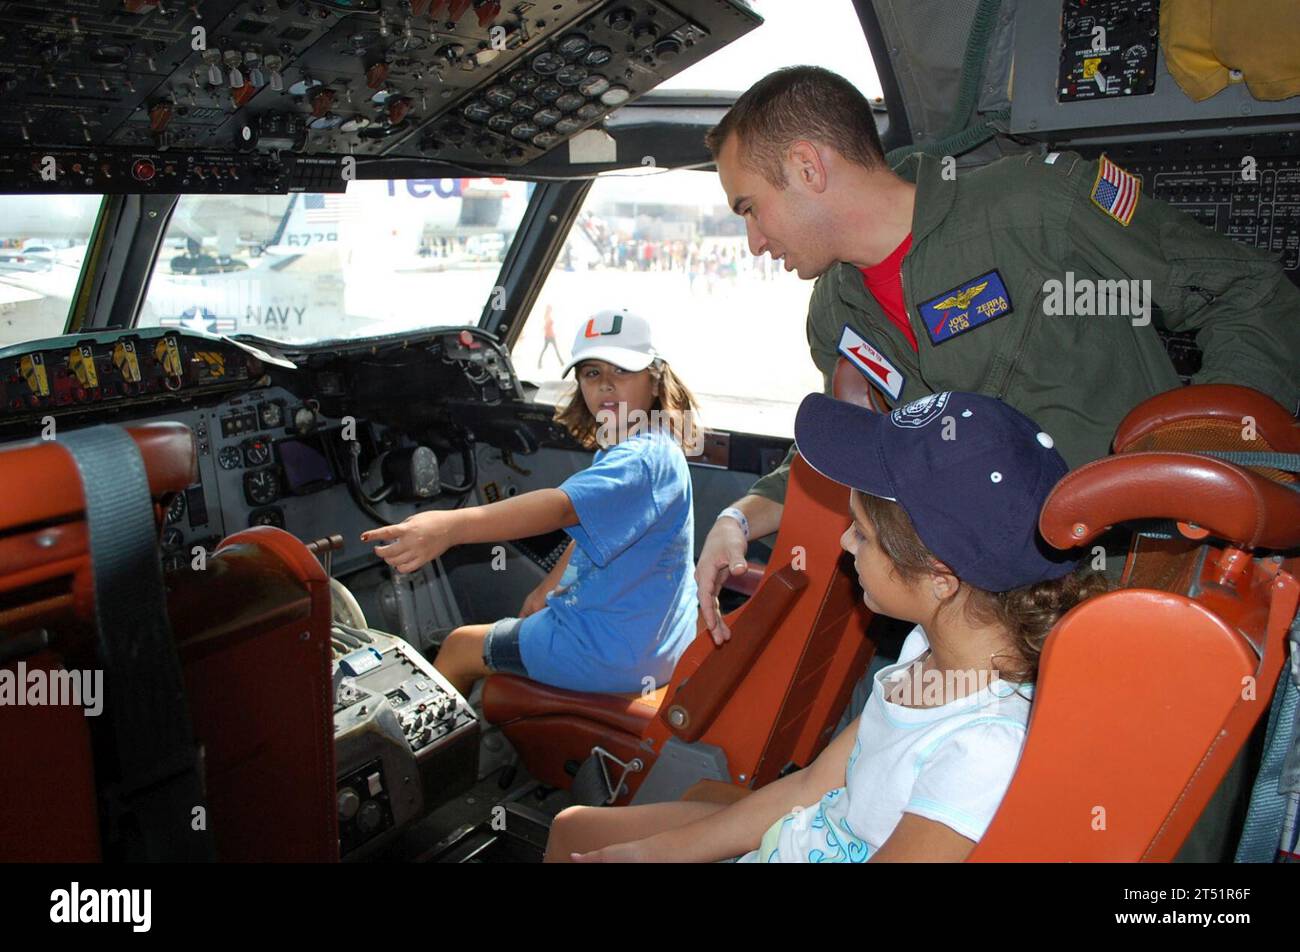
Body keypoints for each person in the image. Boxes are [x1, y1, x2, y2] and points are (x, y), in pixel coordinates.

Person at [696, 65, 1300, 644]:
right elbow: (866, 439)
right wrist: (739, 518)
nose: (753, 241)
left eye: (749, 208)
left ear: (807, 166)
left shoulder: (1039, 209)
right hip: (997, 620)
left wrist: (1203, 466)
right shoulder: (837, 314)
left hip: (1142, 585)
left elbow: (1250, 294)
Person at [545, 390, 1107, 862]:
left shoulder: (982, 749)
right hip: (794, 838)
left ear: (940, 578)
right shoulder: (926, 651)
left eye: (861, 532)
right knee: (574, 830)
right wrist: (650, 854)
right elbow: (814, 786)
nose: (844, 541)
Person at [362, 309, 701, 698]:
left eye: (622, 371)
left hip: (612, 653)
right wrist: (546, 589)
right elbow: (593, 527)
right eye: (592, 373)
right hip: (658, 641)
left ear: (655, 380)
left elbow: (562, 508)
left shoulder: (638, 461)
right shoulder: (652, 445)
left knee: (459, 646)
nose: (605, 385)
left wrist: (450, 528)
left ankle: (433, 739)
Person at [537, 303, 562, 369]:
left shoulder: (548, 315)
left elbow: (547, 325)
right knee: (552, 349)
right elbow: (546, 325)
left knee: (552, 349)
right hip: (549, 336)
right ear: (548, 309)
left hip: (550, 335)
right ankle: (561, 362)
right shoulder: (547, 316)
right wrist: (544, 329)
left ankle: (561, 362)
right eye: (550, 308)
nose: (551, 310)